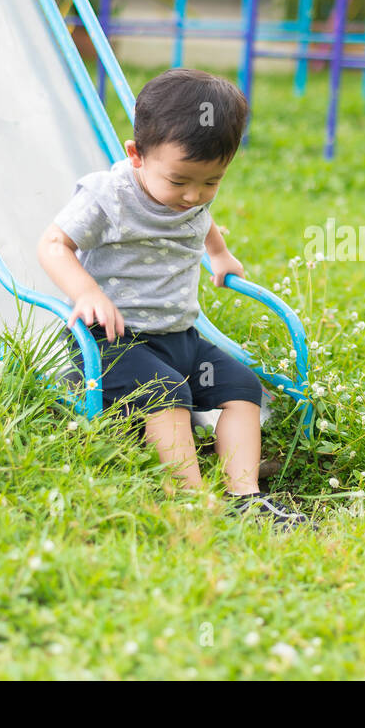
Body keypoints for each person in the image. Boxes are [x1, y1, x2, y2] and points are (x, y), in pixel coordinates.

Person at [37, 68, 307, 527]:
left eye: (211, 182)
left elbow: (204, 220)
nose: (193, 195)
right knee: (167, 394)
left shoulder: (192, 194)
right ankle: (193, 499)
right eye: (180, 181)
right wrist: (87, 292)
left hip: (180, 338)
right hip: (114, 343)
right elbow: (52, 245)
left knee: (243, 388)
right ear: (136, 155)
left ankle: (246, 494)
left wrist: (219, 255)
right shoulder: (108, 197)